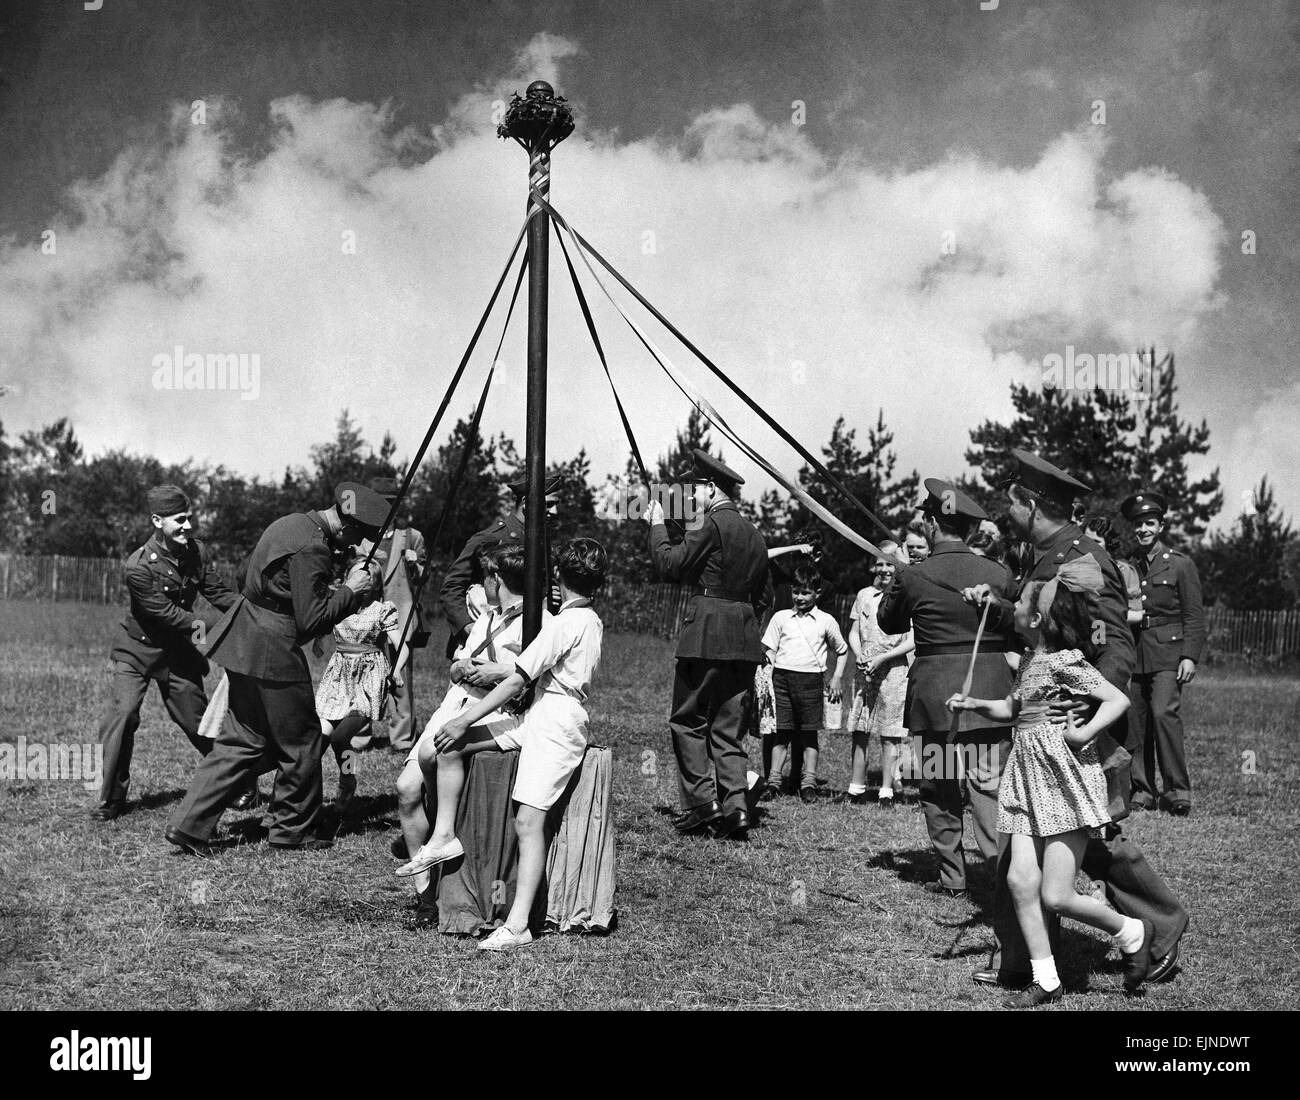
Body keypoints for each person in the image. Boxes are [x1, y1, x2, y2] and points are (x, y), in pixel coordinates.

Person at [962, 450, 1189, 989]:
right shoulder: (1040, 553)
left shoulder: (1085, 556)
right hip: (1043, 714)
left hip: (1075, 720)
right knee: (1031, 848)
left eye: (1014, 498)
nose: (1007, 506)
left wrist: (1081, 714)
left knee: (1094, 844)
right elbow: (1045, 622)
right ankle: (1027, 965)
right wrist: (994, 607)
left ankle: (1155, 928)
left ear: (1034, 504)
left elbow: (1112, 647)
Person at [947, 554, 1152, 1007]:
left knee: (1056, 895)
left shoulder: (1062, 661)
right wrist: (972, 704)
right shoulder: (1032, 661)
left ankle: (1131, 931)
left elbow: (1116, 699)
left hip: (1062, 780)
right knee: (1021, 881)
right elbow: (1011, 710)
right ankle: (1047, 979)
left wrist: (1082, 731)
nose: (1012, 606)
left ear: (1036, 618)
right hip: (1025, 779)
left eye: (1018, 602)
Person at [165, 482, 387, 855]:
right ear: (347, 525)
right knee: (302, 741)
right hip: (273, 650)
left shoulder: (292, 523)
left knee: (242, 741)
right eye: (359, 537)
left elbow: (281, 590)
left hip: (244, 641)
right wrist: (350, 590)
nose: (356, 547)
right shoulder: (313, 547)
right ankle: (290, 830)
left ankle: (188, 826)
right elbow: (310, 620)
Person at [431, 538, 607, 952]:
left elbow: (515, 679)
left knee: (529, 821)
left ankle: (518, 922)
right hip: (542, 714)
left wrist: (463, 718)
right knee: (460, 746)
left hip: (554, 720)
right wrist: (466, 731)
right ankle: (444, 836)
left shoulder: (564, 623)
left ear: (559, 581)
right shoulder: (590, 619)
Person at [879, 479, 1015, 896]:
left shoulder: (914, 575)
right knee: (989, 789)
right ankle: (1003, 877)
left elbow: (889, 623)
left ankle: (952, 876)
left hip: (934, 695)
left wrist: (901, 574)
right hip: (989, 689)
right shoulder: (998, 573)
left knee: (938, 785)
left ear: (932, 524)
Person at [392, 544, 537, 927]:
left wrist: (494, 671)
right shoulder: (486, 618)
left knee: (432, 758)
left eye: (484, 578)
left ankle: (439, 844)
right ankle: (425, 894)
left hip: (489, 711)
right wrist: (462, 666)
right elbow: (457, 665)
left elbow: (533, 676)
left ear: (497, 580)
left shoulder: (537, 621)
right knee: (406, 788)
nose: (479, 584)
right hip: (454, 705)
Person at [92, 485, 238, 821]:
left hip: (175, 653)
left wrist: (248, 612)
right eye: (180, 520)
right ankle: (112, 798)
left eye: (189, 518)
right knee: (123, 714)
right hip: (137, 649)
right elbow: (170, 615)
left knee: (200, 721)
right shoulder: (139, 566)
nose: (188, 526)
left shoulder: (194, 552)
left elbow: (217, 592)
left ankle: (236, 783)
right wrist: (214, 629)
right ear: (157, 520)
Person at [647, 449, 769, 841]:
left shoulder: (710, 523)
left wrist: (656, 525)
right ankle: (735, 809)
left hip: (706, 635)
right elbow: (763, 596)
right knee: (729, 731)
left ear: (711, 488)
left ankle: (702, 805)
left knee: (688, 720)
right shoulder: (754, 534)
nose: (689, 498)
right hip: (744, 640)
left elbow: (670, 566)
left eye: (693, 490)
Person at [1121, 491, 1206, 816]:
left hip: (1170, 653)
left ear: (1161, 526)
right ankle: (1143, 790)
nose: (1143, 529)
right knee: (1137, 721)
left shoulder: (1180, 564)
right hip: (1138, 652)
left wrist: (1190, 656)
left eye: (1149, 523)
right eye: (1138, 524)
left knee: (1163, 714)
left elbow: (1194, 615)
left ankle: (1176, 791)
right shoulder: (1130, 566)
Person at [438, 474, 561, 659]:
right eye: (550, 504)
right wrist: (469, 629)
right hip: (482, 645)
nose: (555, 511)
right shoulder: (491, 538)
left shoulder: (542, 542)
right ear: (528, 502)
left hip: (525, 642)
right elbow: (451, 587)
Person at [314, 551, 401, 810]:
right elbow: (319, 623)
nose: (364, 580)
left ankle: (347, 778)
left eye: (370, 577)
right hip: (338, 678)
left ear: (376, 583)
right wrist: (316, 639)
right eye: (358, 575)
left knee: (341, 737)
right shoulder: (339, 604)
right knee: (316, 742)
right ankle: (307, 800)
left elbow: (402, 645)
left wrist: (396, 670)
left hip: (368, 679)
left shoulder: (382, 610)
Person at [760, 564, 848, 803]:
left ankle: (807, 783)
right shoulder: (781, 618)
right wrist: (765, 676)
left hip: (811, 681)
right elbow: (769, 649)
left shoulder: (826, 621)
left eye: (806, 592)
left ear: (817, 593)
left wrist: (837, 677)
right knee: (782, 734)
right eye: (796, 591)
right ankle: (774, 782)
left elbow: (842, 650)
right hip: (782, 680)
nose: (800, 597)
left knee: (809, 736)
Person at [846, 542, 914, 806]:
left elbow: (913, 640)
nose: (885, 569)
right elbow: (853, 631)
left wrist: (884, 657)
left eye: (890, 564)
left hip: (894, 669)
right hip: (865, 669)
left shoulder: (906, 596)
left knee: (890, 732)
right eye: (881, 563)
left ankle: (886, 790)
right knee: (860, 729)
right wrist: (859, 652)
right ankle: (856, 787)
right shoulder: (864, 595)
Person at [369, 477, 428, 754]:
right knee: (363, 673)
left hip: (400, 618)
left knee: (399, 674)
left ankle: (402, 739)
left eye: (391, 503)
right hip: (367, 617)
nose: (385, 509)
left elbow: (423, 578)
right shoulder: (364, 538)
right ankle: (358, 737)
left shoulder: (412, 537)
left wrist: (416, 565)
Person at [1080, 513, 1144, 625]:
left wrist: (1100, 615)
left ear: (1109, 543)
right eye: (1086, 540)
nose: (1089, 546)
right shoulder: (1076, 570)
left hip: (1114, 634)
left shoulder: (1125, 572)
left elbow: (1137, 614)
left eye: (1096, 542)